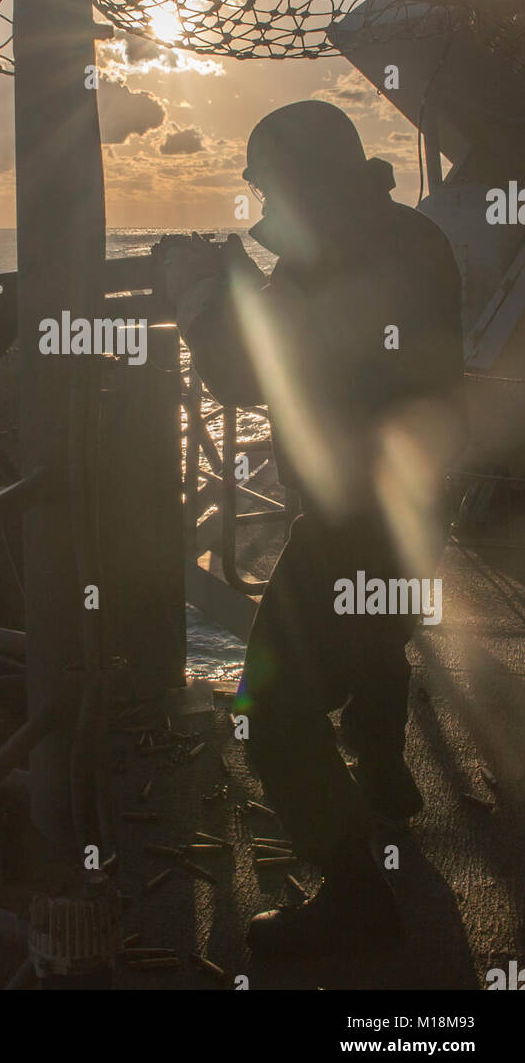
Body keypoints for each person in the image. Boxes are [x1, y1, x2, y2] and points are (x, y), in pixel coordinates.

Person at [159, 100, 465, 958]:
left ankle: (355, 902)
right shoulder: (411, 236)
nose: (254, 195)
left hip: (350, 522)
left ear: (297, 180)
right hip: (416, 500)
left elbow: (235, 373)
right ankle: (384, 773)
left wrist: (193, 290)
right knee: (377, 638)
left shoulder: (323, 264)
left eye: (262, 181)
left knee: (271, 709)